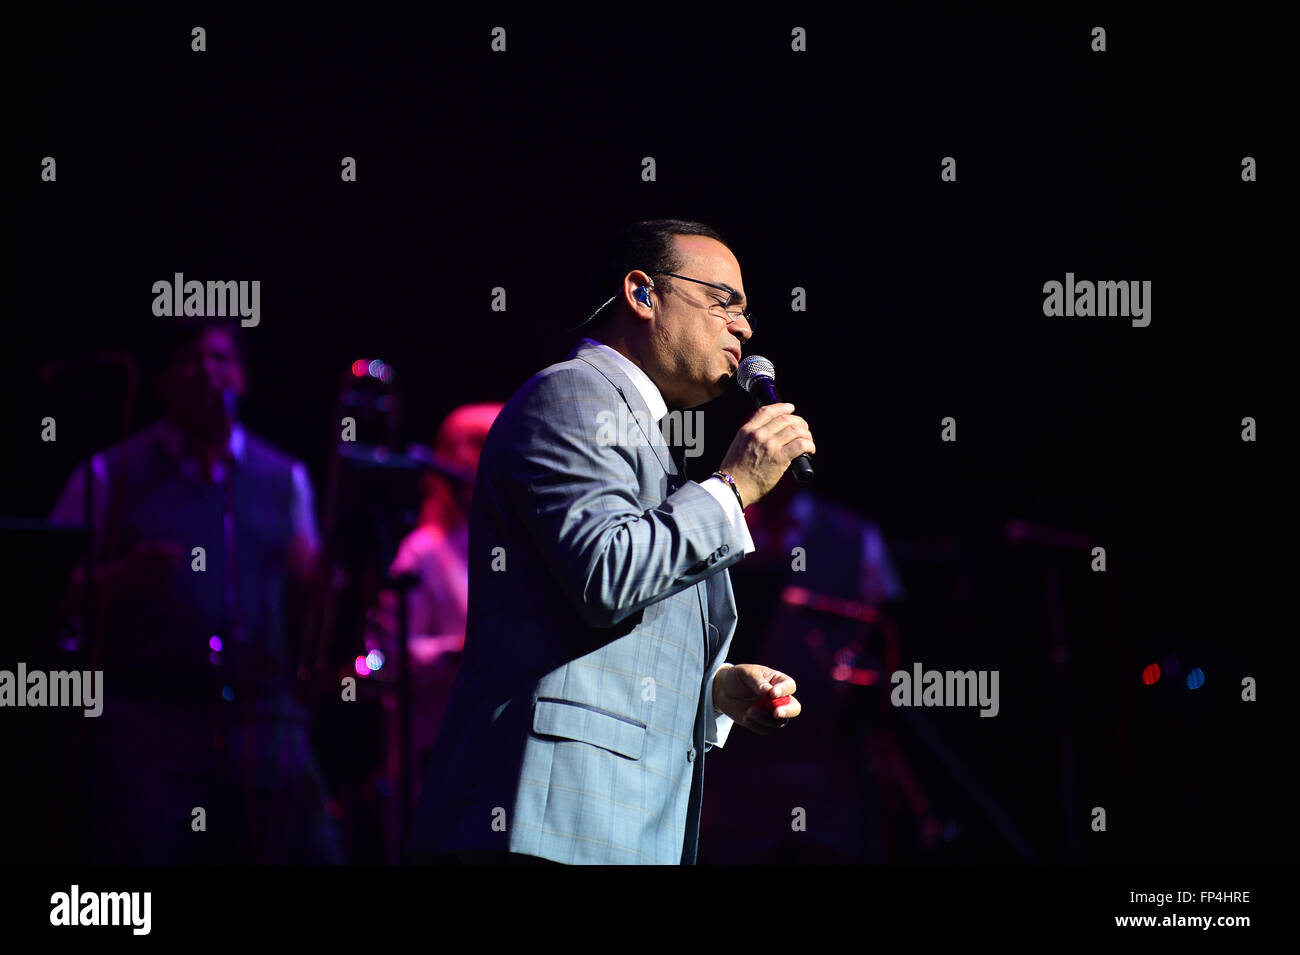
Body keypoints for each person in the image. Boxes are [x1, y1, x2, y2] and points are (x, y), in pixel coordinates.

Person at [406, 219, 816, 864]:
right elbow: (607, 573)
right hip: (549, 822)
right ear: (642, 293)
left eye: (748, 312)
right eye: (724, 301)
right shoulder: (572, 394)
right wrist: (733, 488)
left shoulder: (647, 433)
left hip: (611, 826)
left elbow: (605, 631)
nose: (744, 327)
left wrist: (714, 689)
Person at [49, 316, 343, 864]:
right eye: (191, 359)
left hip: (263, 718)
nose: (208, 374)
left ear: (245, 377)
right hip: (150, 719)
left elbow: (308, 584)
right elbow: (43, 592)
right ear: (163, 379)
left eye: (221, 359)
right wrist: (119, 578)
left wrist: (335, 581)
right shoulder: (109, 473)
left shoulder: (283, 477)